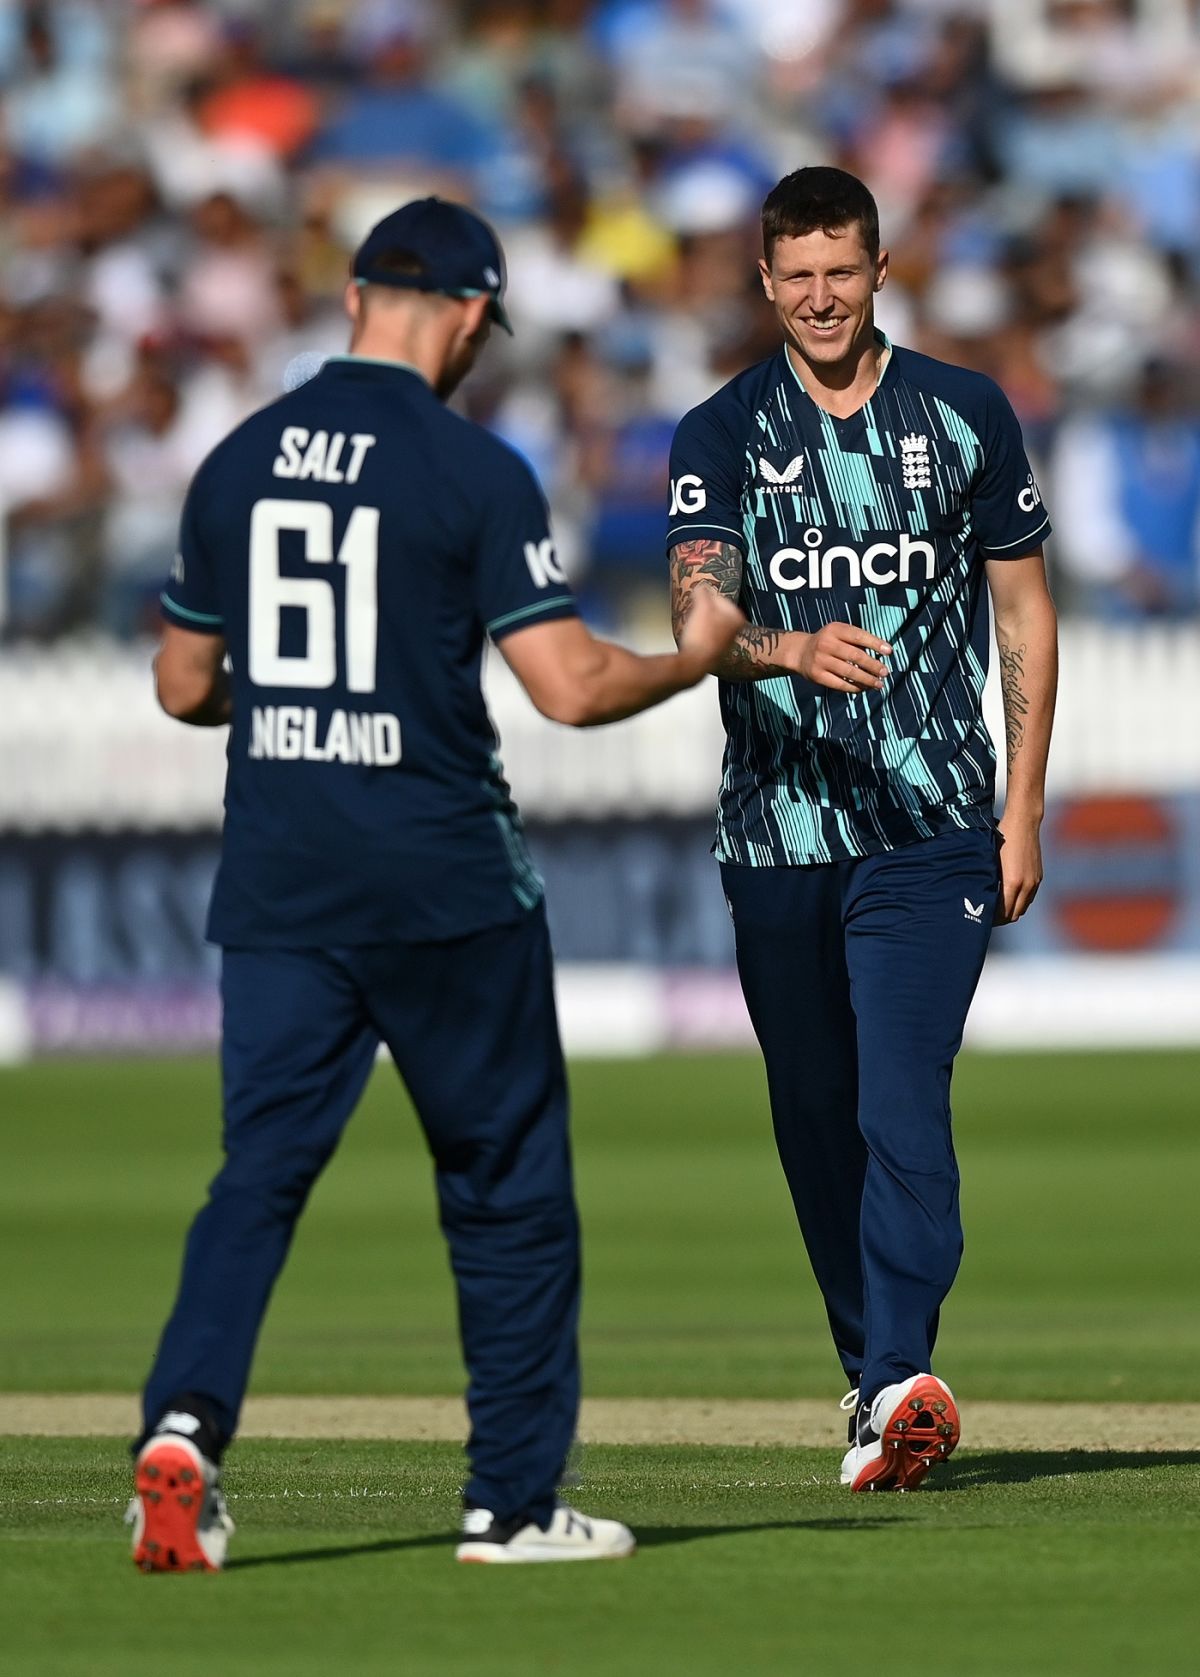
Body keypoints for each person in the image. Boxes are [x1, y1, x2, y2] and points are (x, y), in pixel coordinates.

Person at [129, 195, 741, 1571]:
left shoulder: (232, 461)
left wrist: (299, 696)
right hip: (443, 880)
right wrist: (697, 657)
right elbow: (573, 688)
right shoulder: (474, 469)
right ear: (468, 315)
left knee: (258, 1178)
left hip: (283, 880)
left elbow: (181, 684)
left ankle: (180, 1429)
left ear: (352, 298)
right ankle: (513, 1504)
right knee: (506, 1183)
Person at [667, 167, 1057, 1491]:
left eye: (844, 270)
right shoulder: (721, 429)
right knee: (815, 1118)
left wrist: (1022, 807)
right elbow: (697, 624)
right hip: (776, 832)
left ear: (880, 271)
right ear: (766, 283)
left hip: (930, 825)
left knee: (902, 1099)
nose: (823, 296)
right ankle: (879, 1376)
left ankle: (901, 1370)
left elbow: (1024, 614)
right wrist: (787, 648)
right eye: (799, 275)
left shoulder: (963, 414)